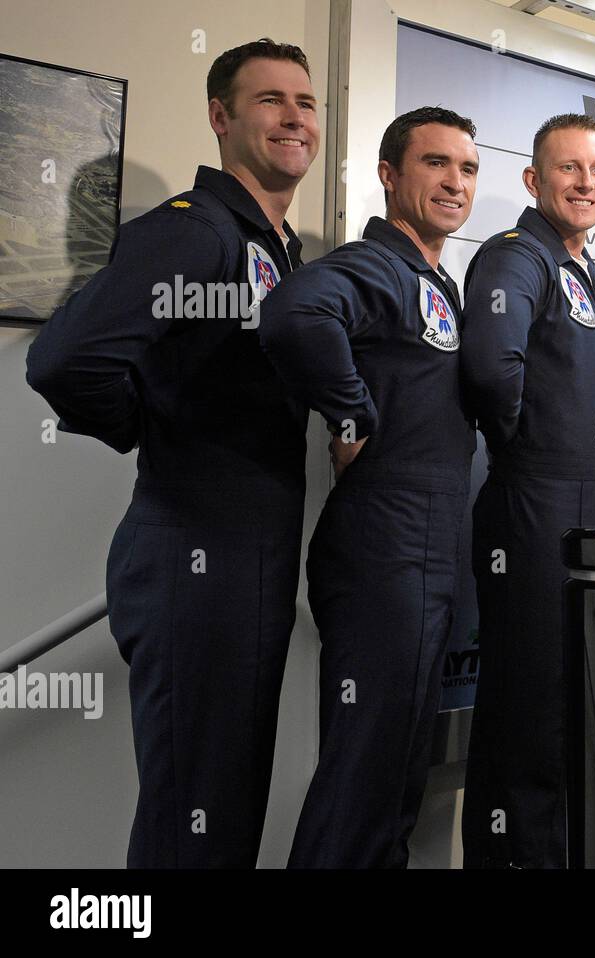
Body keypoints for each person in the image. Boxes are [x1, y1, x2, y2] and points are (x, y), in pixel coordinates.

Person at [25, 39, 320, 867]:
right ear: (221, 117)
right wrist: (148, 423)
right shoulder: (197, 231)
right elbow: (62, 360)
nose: (294, 117)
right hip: (197, 558)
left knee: (220, 818)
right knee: (194, 823)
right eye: (270, 101)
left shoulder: (272, 245)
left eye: (304, 102)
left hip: (243, 563)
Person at [256, 106, 479, 867]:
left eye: (466, 168)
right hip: (387, 546)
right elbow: (294, 311)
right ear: (389, 175)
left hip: (425, 550)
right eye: (435, 164)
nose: (454, 182)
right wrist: (350, 416)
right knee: (364, 779)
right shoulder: (378, 265)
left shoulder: (434, 279)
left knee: (393, 784)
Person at [458, 113, 595, 868]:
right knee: (528, 719)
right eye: (569, 169)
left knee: (568, 719)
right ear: (534, 180)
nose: (585, 184)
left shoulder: (584, 270)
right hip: (535, 513)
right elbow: (495, 367)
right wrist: (525, 445)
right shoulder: (516, 255)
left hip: (589, 521)